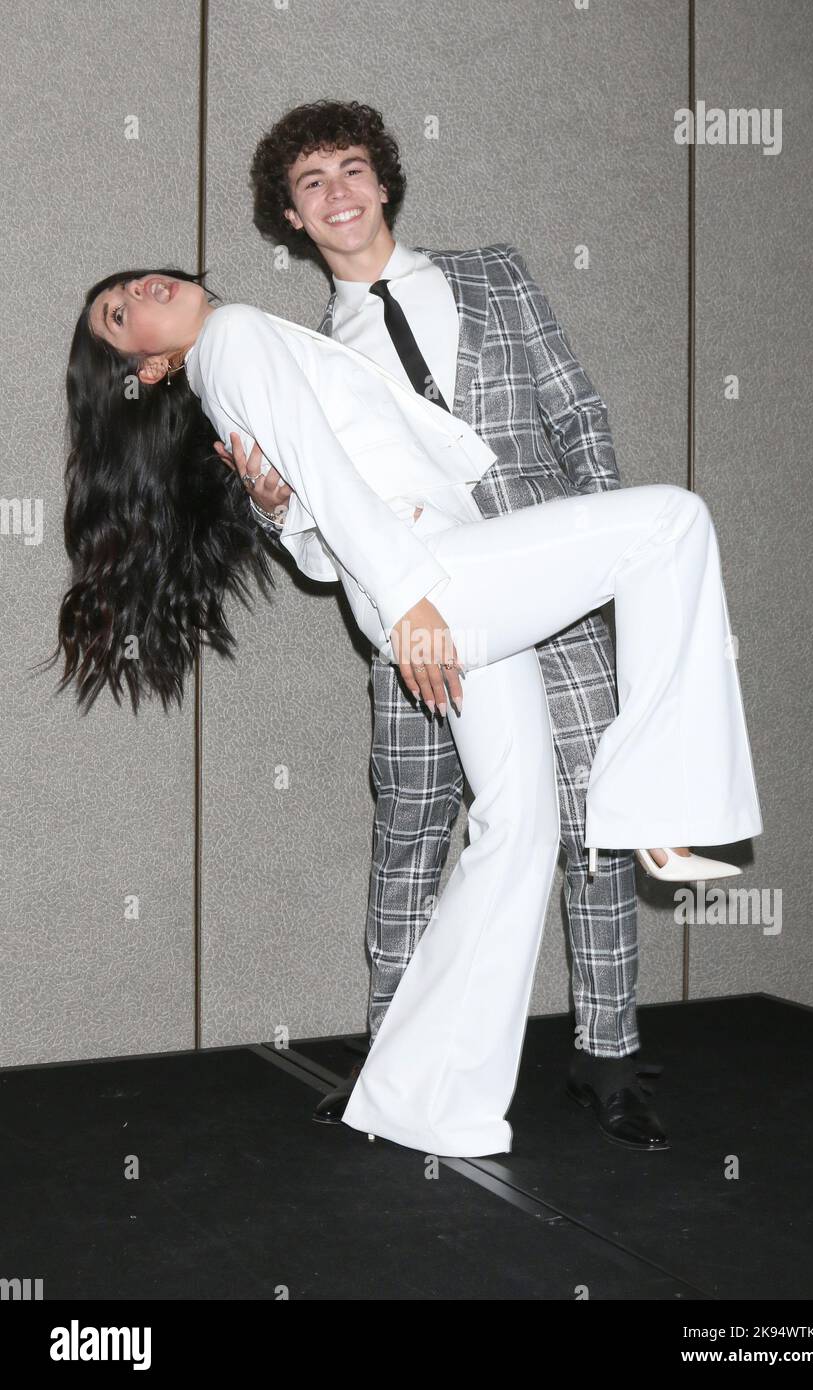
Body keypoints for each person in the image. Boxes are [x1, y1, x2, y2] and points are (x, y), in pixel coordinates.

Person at [47, 267, 762, 1159]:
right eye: (120, 315)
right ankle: (661, 806)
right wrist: (413, 600)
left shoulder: (238, 358)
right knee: (673, 522)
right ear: (144, 369)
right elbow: (343, 487)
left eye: (139, 283)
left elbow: (322, 512)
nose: (142, 294)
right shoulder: (231, 341)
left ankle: (421, 1095)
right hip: (435, 576)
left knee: (521, 826)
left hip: (426, 577)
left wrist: (282, 511)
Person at [230, 99, 665, 1149]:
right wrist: (272, 501)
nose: (337, 194)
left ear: (382, 180)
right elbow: (313, 520)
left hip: (542, 577)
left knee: (588, 817)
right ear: (288, 220)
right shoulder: (297, 355)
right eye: (310, 185)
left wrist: (603, 553)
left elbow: (577, 413)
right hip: (420, 607)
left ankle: (604, 1056)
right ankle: (393, 1055)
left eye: (349, 170)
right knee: (413, 831)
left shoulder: (495, 274)